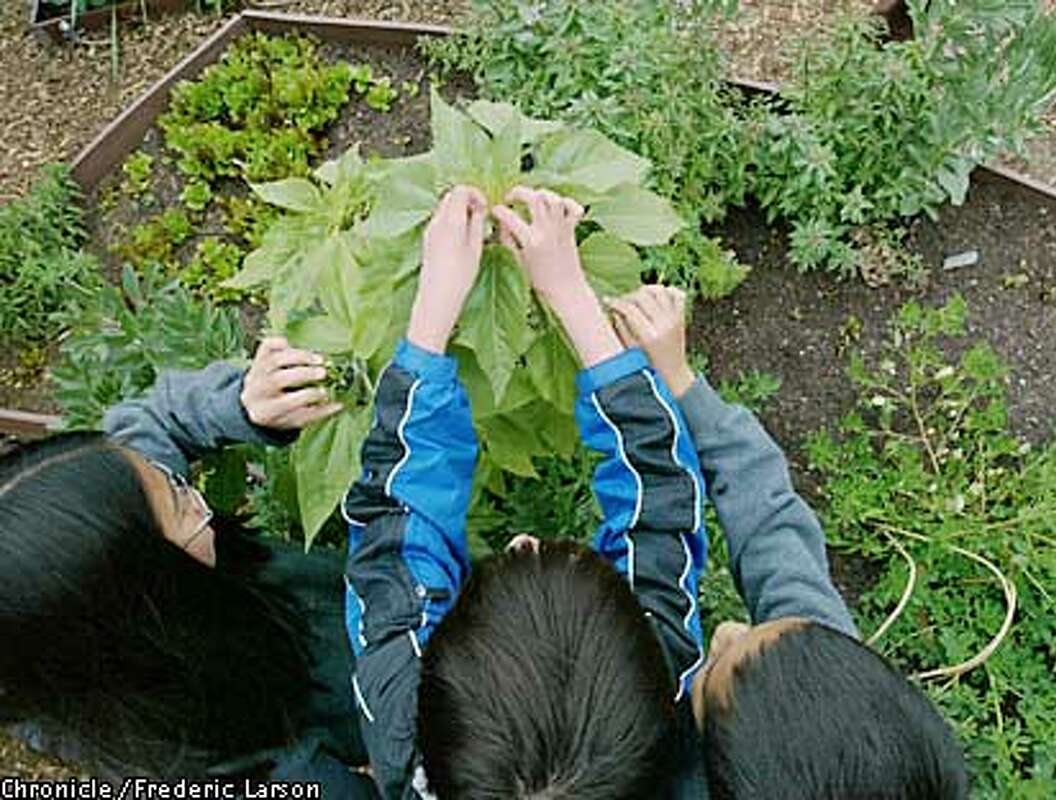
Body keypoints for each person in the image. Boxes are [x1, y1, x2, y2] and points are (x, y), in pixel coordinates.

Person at [342, 185, 708, 799]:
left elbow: (395, 526)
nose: (522, 537)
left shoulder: (401, 725)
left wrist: (434, 309)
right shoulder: (659, 705)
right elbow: (659, 507)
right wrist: (572, 296)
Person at [607, 285, 969, 800]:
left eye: (707, 680)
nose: (729, 632)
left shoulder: (651, 770)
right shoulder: (822, 676)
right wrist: (680, 381)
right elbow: (772, 525)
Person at [0, 337, 377, 795]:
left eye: (174, 481)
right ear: (150, 599)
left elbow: (157, 419)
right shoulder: (238, 766)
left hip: (360, 609)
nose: (197, 501)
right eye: (181, 507)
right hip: (421, 691)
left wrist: (242, 404)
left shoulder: (126, 525)